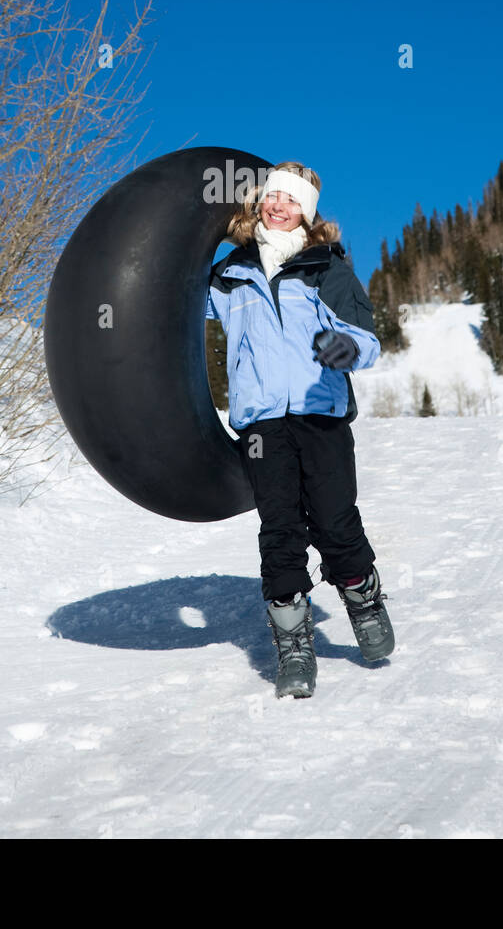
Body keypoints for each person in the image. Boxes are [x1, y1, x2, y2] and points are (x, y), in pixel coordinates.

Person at [205, 161, 394, 698]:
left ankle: (363, 600)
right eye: (272, 198)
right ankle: (294, 646)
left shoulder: (324, 267)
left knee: (335, 521)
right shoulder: (229, 273)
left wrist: (342, 349)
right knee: (280, 528)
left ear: (306, 213)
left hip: (320, 413)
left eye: (290, 201)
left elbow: (366, 339)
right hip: (262, 420)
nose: (277, 206)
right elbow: (168, 308)